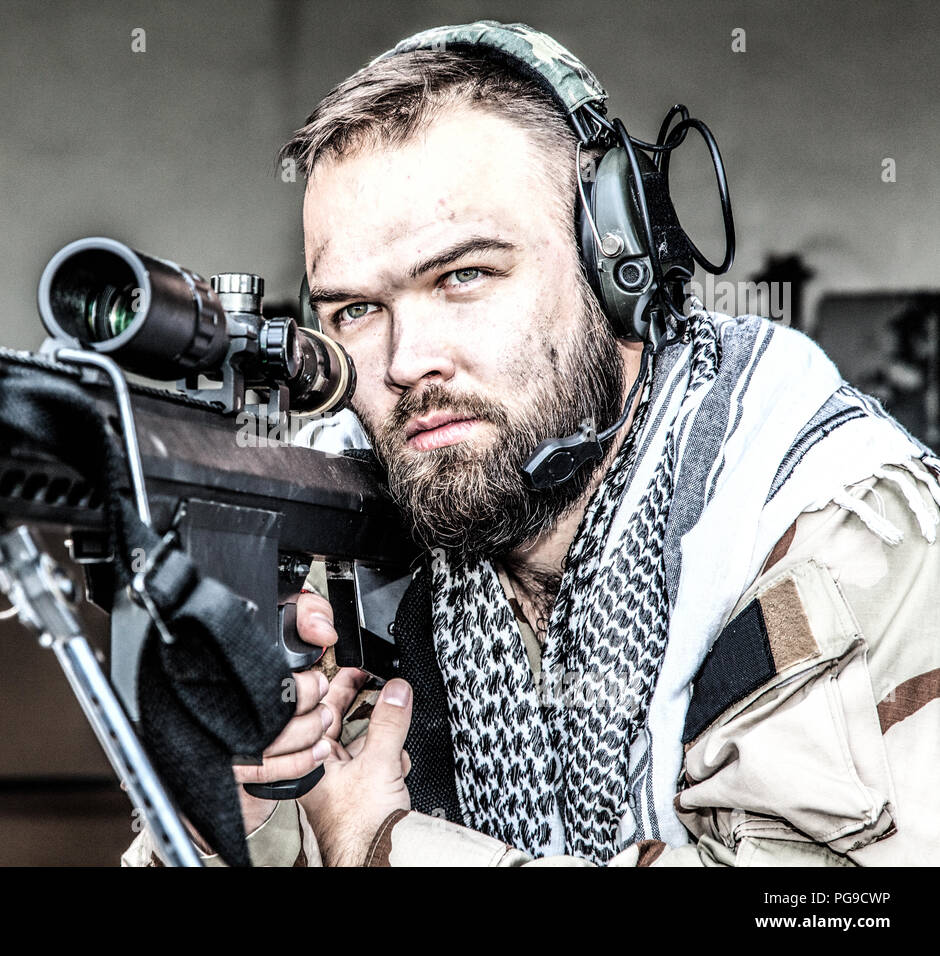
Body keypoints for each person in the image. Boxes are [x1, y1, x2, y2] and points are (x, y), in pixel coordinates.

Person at [123, 21, 940, 867]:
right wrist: (225, 808)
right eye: (356, 311)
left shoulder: (827, 520)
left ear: (615, 263)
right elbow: (301, 824)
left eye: (464, 276)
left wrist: (383, 850)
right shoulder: (340, 529)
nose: (406, 363)